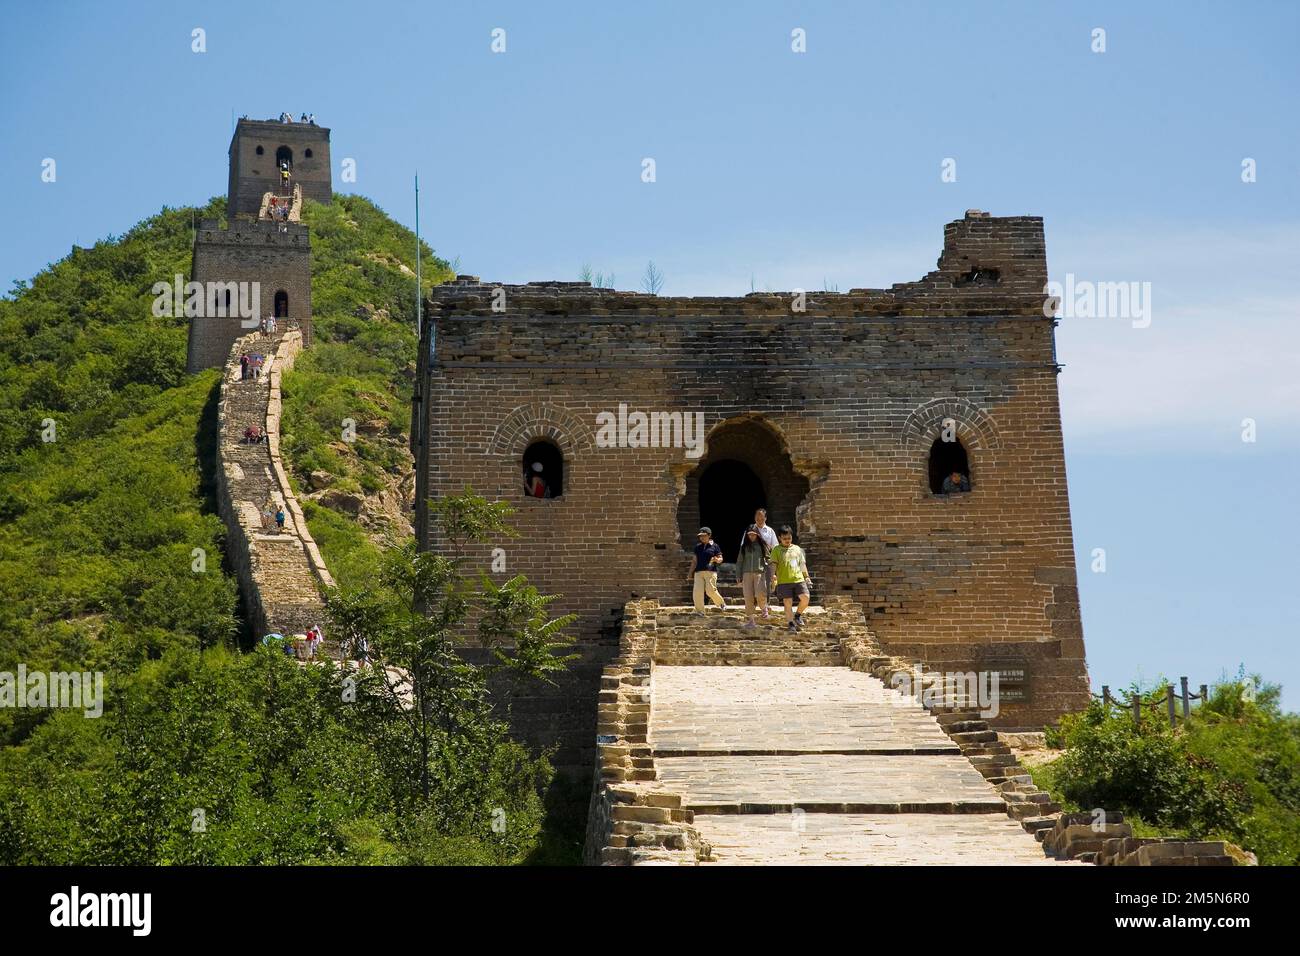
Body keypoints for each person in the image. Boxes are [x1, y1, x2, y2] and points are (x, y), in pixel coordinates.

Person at [770, 525, 811, 632]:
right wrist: (772, 576)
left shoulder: (797, 549)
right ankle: (791, 623)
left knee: (806, 598)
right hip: (784, 581)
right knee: (787, 602)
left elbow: (802, 565)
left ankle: (797, 615)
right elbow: (773, 564)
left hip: (799, 579)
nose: (787, 540)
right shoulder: (776, 550)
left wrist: (807, 577)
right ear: (779, 538)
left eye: (789, 538)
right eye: (784, 539)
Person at [739, 508, 779, 617]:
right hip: (753, 562)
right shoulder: (751, 529)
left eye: (761, 518)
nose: (759, 520)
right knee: (754, 587)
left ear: (765, 518)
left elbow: (775, 547)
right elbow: (743, 546)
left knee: (765, 585)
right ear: (754, 518)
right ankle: (755, 606)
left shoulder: (769, 531)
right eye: (757, 518)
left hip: (766, 560)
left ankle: (765, 605)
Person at [737, 524, 771, 628]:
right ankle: (751, 621)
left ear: (757, 535)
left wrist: (772, 572)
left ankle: (764, 608)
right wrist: (738, 574)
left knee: (760, 593)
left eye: (753, 534)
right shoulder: (744, 547)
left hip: (759, 573)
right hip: (746, 574)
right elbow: (739, 561)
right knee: (748, 597)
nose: (751, 536)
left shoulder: (762, 546)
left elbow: (769, 559)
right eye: (749, 534)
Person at [689, 526, 726, 614]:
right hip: (698, 572)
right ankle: (700, 612)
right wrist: (690, 573)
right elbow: (694, 561)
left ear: (709, 535)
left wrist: (717, 560)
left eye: (704, 535)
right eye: (700, 536)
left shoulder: (715, 546)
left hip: (710, 572)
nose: (701, 537)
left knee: (710, 590)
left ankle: (721, 603)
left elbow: (721, 558)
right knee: (697, 592)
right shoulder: (697, 547)